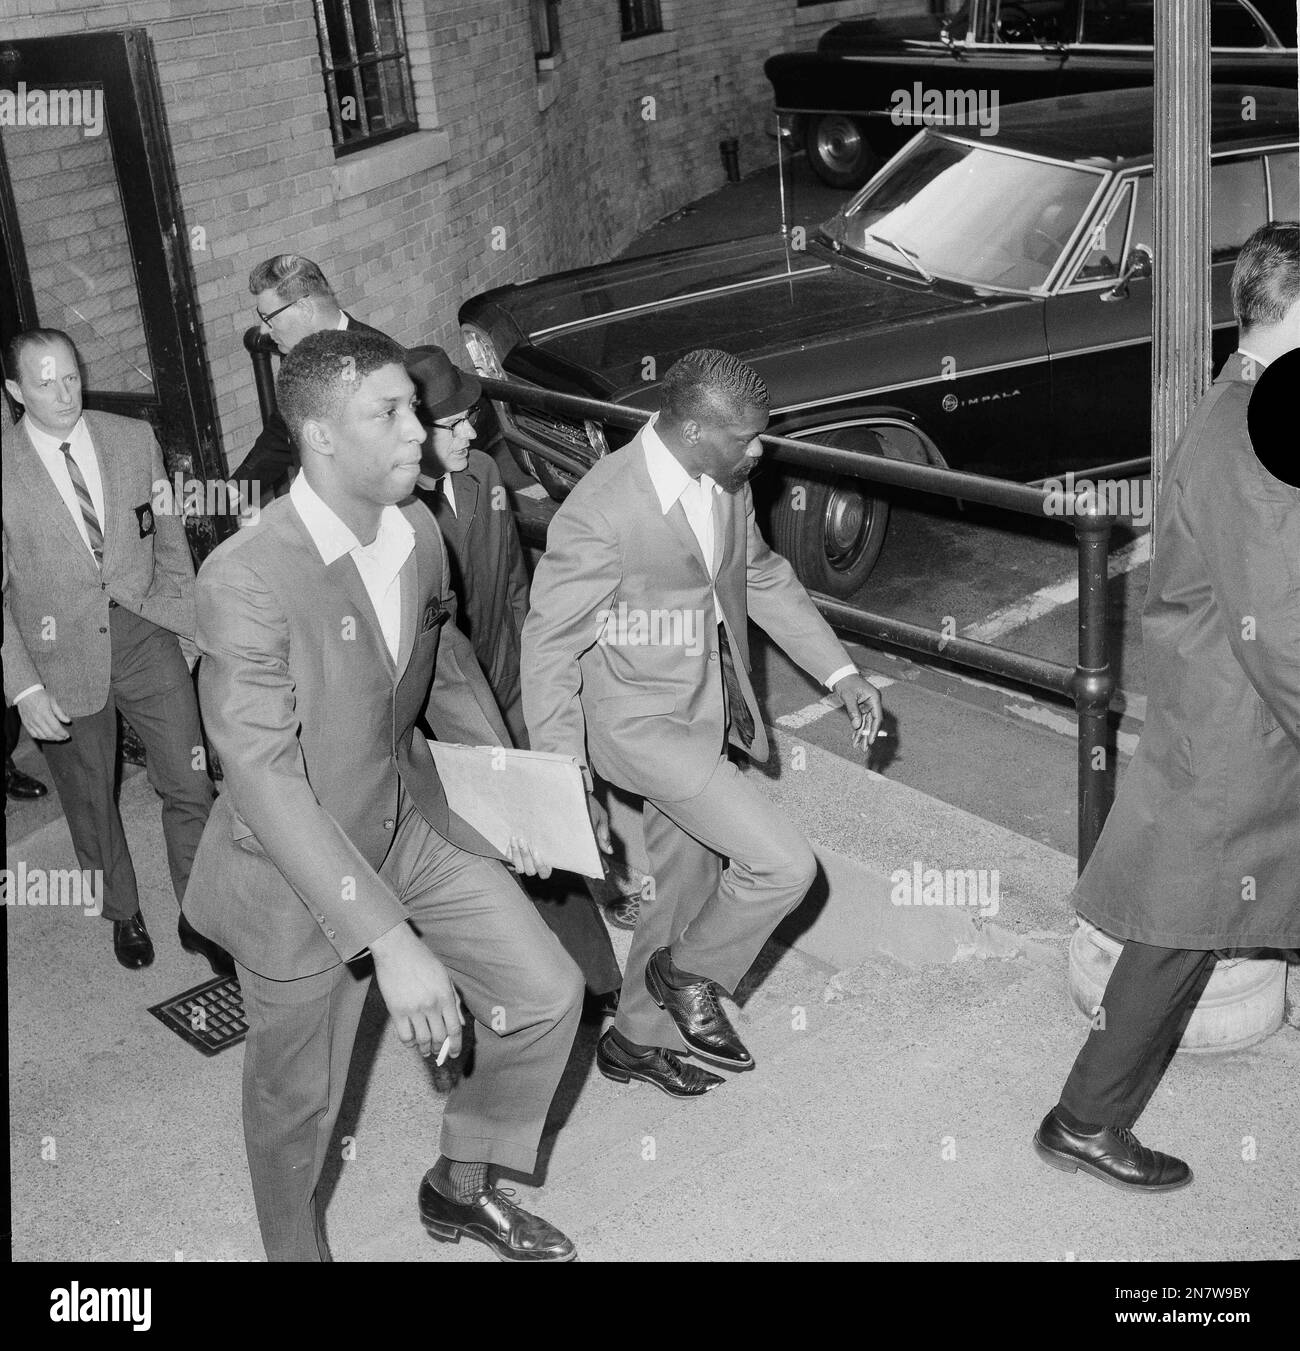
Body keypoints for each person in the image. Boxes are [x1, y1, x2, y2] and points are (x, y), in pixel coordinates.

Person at [184, 328, 583, 1262]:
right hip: (294, 867)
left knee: (546, 992)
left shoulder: (419, 535)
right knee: (299, 1113)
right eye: (392, 412)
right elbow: (263, 775)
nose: (423, 430)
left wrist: (509, 794)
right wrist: (388, 938)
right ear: (321, 437)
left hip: (405, 820)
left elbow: (443, 672)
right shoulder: (243, 577)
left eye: (416, 406)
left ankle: (460, 1183)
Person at [523, 348, 883, 1098]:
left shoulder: (725, 481)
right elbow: (548, 645)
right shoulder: (602, 510)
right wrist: (563, 783)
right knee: (783, 865)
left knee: (684, 892)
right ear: (691, 429)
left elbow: (757, 574)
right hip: (636, 725)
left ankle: (633, 1038)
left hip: (702, 710)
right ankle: (688, 975)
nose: (762, 450)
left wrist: (840, 672)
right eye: (748, 437)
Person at [1034, 220, 1300, 1192]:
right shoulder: (1250, 434)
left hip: (1227, 723)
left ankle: (1083, 1117)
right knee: (1178, 927)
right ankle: (1083, 1118)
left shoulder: (1240, 402)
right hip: (1243, 729)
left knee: (1179, 926)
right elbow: (1277, 622)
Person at [1, 329, 227, 973]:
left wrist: (184, 627)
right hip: (55, 656)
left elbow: (169, 538)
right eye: (44, 383)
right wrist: (23, 688)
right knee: (91, 799)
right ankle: (123, 912)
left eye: (71, 376)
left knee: (189, 783)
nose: (63, 393)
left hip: (143, 631)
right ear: (15, 391)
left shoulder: (131, 439)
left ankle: (201, 913)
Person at [408, 345, 623, 1011]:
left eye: (472, 416)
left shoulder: (482, 478)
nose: (474, 432)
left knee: (546, 842)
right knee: (472, 868)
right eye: (456, 423)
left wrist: (535, 691)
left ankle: (599, 985)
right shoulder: (389, 516)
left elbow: (512, 591)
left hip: (507, 687)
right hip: (433, 726)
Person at [235, 255, 388, 505]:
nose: (265, 331)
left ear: (305, 309)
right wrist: (235, 489)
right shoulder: (296, 353)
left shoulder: (380, 363)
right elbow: (285, 428)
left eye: (268, 318)